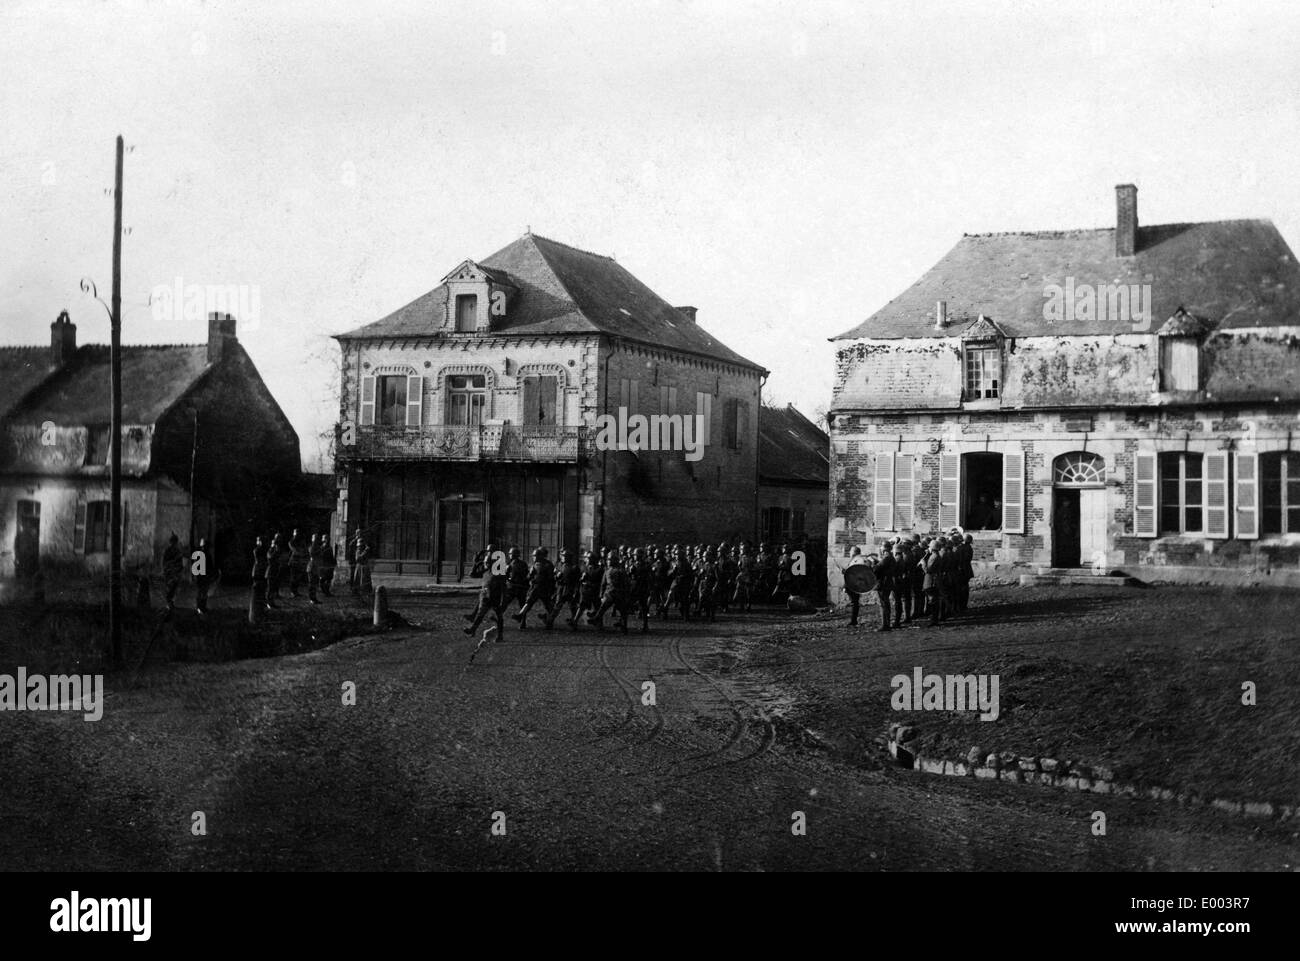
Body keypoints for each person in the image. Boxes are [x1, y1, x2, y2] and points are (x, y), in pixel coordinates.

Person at [513, 547, 556, 630]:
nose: (533, 557)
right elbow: (529, 577)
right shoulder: (534, 565)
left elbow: (551, 578)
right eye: (533, 556)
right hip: (535, 588)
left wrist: (550, 589)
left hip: (544, 588)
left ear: (540, 556)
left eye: (535, 556)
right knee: (528, 602)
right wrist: (530, 575)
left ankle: (549, 622)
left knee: (548, 606)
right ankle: (520, 615)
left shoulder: (548, 565)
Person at [546, 549, 583, 629]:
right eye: (563, 556)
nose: (564, 558)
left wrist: (576, 591)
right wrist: (557, 576)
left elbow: (577, 581)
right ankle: (550, 621)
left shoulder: (575, 567)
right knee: (557, 606)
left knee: (572, 607)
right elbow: (554, 577)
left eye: (566, 556)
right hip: (561, 588)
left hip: (570, 589)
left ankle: (574, 622)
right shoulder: (559, 566)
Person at [873, 541, 896, 632]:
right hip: (888, 582)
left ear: (884, 549)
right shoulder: (890, 557)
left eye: (882, 548)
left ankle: (885, 625)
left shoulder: (887, 557)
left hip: (883, 583)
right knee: (885, 603)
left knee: (883, 604)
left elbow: (876, 568)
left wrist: (873, 563)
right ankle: (887, 623)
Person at [844, 546, 868, 627]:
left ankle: (853, 620)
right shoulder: (855, 560)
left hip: (855, 584)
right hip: (852, 583)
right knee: (854, 602)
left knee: (854, 603)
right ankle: (853, 620)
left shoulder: (859, 560)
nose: (849, 553)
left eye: (851, 551)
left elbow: (858, 572)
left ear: (854, 552)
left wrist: (846, 572)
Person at [162, 533, 185, 614]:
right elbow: (166, 562)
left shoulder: (175, 550)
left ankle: (170, 603)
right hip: (171, 573)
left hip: (173, 573)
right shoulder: (172, 551)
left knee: (172, 588)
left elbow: (179, 562)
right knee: (171, 588)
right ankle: (169, 604)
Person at [251, 535, 270, 611]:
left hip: (261, 570)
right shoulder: (257, 550)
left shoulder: (263, 550)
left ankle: (262, 602)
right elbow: (259, 560)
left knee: (263, 587)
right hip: (258, 570)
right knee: (258, 587)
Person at [194, 536, 211, 616]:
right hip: (203, 577)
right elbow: (210, 566)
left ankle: (200, 607)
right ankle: (201, 608)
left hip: (201, 577)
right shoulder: (206, 555)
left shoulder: (198, 554)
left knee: (201, 592)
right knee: (202, 592)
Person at [288, 528, 308, 597]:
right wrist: (301, 551)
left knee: (298, 577)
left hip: (299, 561)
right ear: (294, 534)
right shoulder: (291, 542)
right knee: (293, 577)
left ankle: (295, 591)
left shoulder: (300, 541)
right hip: (294, 561)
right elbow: (295, 550)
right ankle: (292, 591)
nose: (297, 535)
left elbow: (304, 549)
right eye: (296, 533)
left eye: (298, 533)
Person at [307, 534, 323, 605]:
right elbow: (312, 553)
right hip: (312, 567)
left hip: (315, 568)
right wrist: (320, 550)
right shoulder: (312, 546)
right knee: (312, 584)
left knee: (315, 584)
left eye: (317, 538)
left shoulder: (317, 546)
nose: (316, 540)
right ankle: (312, 599)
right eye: (315, 538)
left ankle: (314, 598)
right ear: (313, 539)